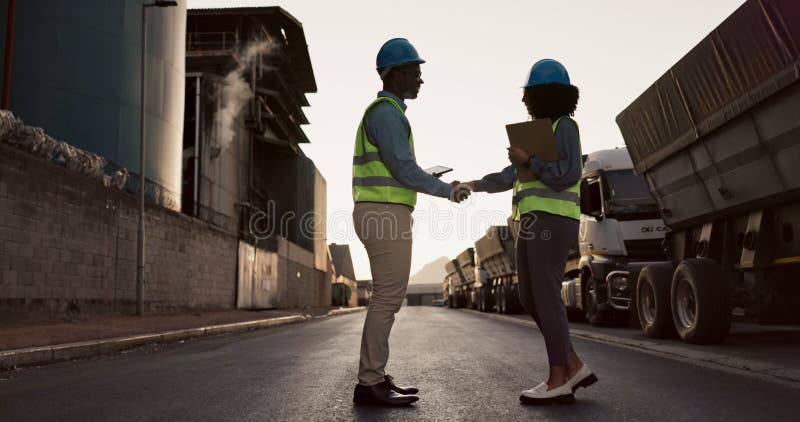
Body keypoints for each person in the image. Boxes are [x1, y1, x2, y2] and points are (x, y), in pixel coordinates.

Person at [464, 59, 597, 405]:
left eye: (529, 95)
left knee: (547, 295)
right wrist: (470, 185)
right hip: (532, 223)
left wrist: (530, 161)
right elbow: (507, 177)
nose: (525, 102)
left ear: (544, 95)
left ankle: (557, 379)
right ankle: (572, 364)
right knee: (528, 296)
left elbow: (567, 174)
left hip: (553, 221)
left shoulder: (565, 127)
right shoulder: (536, 136)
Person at [351, 38, 471, 407]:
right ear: (396, 73)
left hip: (385, 210)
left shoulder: (389, 112)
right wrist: (446, 190)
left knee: (387, 297)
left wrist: (430, 179)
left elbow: (399, 167)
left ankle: (375, 376)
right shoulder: (386, 112)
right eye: (415, 72)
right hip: (383, 212)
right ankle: (369, 382)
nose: (421, 80)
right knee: (387, 297)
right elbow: (403, 169)